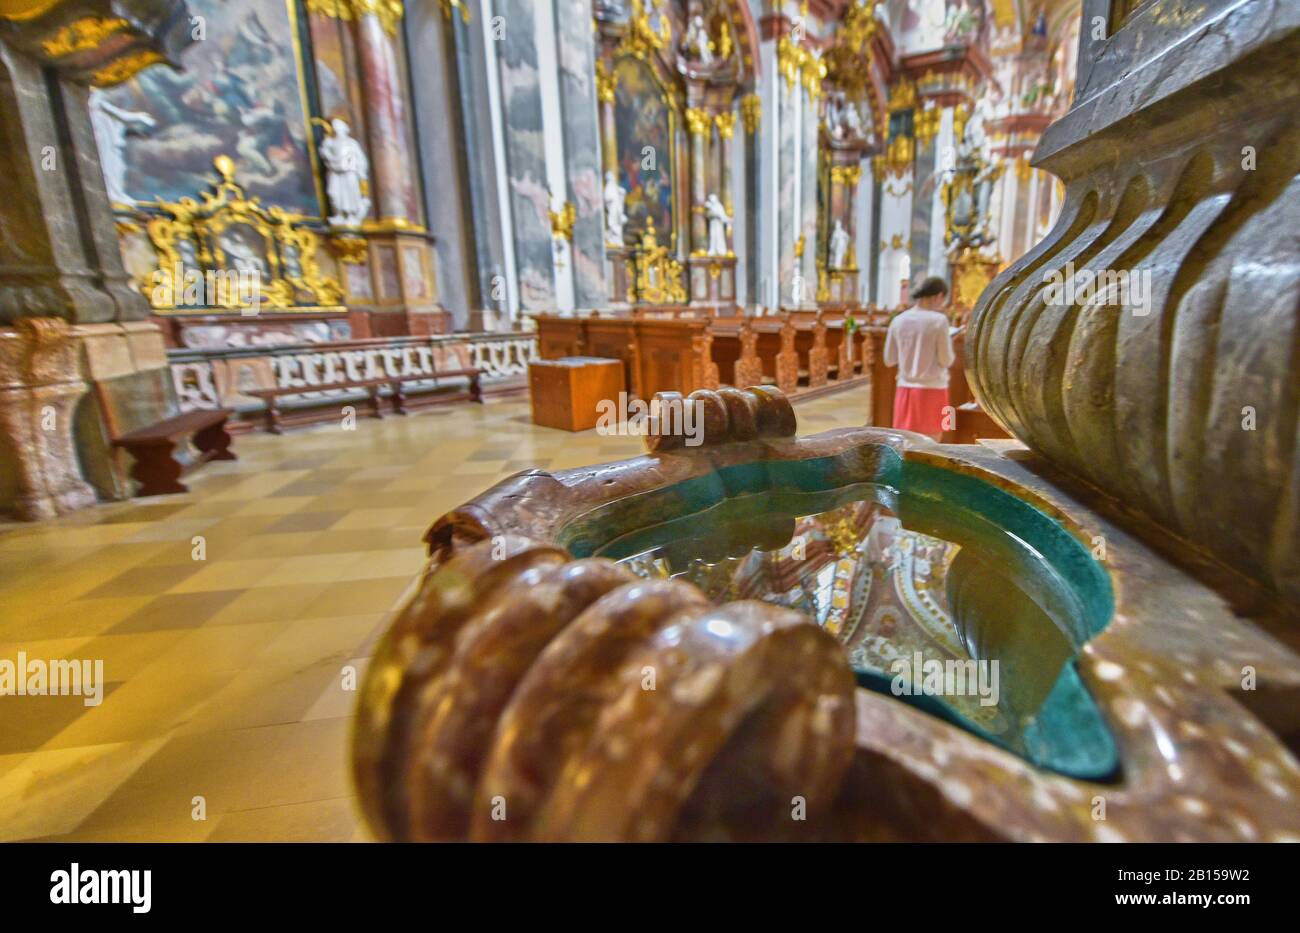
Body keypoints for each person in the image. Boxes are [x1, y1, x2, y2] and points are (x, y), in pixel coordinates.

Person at [883, 276, 955, 441]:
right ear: (938, 296)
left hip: (904, 390)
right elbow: (946, 361)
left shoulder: (898, 320)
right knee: (934, 443)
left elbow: (889, 360)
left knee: (905, 443)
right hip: (935, 389)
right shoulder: (940, 321)